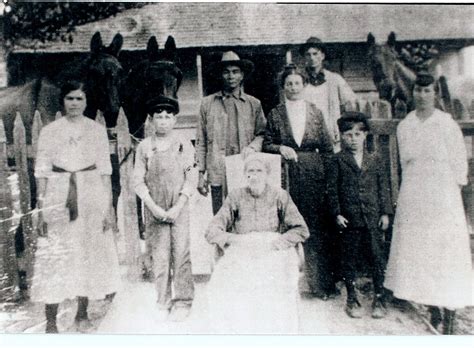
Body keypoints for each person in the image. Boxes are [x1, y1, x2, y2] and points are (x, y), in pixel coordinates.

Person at [384, 73, 472, 334]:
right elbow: (403, 164)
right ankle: (433, 308)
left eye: (427, 91)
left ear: (435, 94)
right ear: (412, 93)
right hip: (414, 193)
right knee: (421, 251)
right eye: (418, 91)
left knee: (445, 251)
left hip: (442, 194)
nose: (422, 96)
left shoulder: (446, 124)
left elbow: (459, 164)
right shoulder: (406, 125)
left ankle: (450, 314)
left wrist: (449, 198)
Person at [31, 80, 120, 333]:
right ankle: (51, 320)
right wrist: (40, 208)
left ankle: (82, 313)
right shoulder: (50, 131)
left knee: (86, 252)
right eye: (70, 98)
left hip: (90, 193)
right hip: (59, 194)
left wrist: (108, 207)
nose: (74, 103)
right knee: (56, 255)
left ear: (86, 102)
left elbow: (105, 170)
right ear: (63, 101)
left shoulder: (95, 130)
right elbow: (42, 172)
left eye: (79, 99)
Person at [205, 153, 309, 333]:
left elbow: (301, 230)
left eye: (259, 170)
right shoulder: (235, 196)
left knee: (276, 286)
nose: (254, 175)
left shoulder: (280, 195)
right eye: (250, 171)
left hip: (274, 248)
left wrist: (280, 242)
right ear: (245, 175)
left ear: (267, 174)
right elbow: (212, 231)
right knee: (222, 284)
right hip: (242, 249)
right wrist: (234, 239)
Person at [263, 65, 338, 300]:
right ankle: (285, 286)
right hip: (286, 176)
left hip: (314, 175)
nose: (293, 88)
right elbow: (266, 143)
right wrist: (280, 147)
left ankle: (319, 285)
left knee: (314, 227)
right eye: (289, 84)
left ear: (304, 86)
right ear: (283, 87)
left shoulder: (315, 112)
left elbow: (327, 148)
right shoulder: (275, 114)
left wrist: (327, 179)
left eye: (297, 83)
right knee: (285, 225)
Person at [133, 96, 197, 322]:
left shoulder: (183, 144)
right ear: (151, 120)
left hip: (178, 207)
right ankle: (163, 300)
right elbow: (138, 182)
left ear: (175, 119)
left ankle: (183, 300)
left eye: (168, 116)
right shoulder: (144, 147)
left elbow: (191, 177)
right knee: (160, 256)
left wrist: (179, 205)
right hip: (155, 208)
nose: (163, 121)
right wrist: (152, 207)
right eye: (158, 117)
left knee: (181, 253)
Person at [326, 112, 392, 319]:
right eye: (348, 135)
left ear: (365, 136)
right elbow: (332, 190)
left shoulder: (375, 159)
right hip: (350, 219)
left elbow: (384, 188)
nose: (353, 139)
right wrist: (336, 213)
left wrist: (385, 213)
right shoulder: (337, 160)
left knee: (376, 257)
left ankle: (379, 298)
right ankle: (352, 298)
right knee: (349, 259)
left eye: (357, 134)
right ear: (342, 137)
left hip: (372, 217)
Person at [195, 51, 267, 214]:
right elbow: (201, 140)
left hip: (244, 170)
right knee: (221, 218)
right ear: (220, 75)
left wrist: (253, 148)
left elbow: (262, 134)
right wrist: (201, 174)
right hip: (218, 171)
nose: (230, 76)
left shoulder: (253, 104)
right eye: (226, 72)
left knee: (246, 218)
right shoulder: (207, 104)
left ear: (242, 75)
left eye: (235, 72)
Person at [300, 37, 357, 152]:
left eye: (315, 54)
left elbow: (350, 103)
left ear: (322, 56)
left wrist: (341, 127)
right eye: (308, 54)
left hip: (331, 136)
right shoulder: (300, 81)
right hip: (307, 136)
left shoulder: (334, 79)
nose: (312, 58)